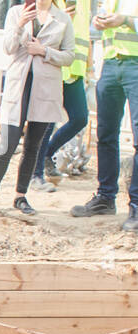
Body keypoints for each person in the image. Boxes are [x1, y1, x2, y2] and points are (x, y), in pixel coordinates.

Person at [0, 0, 74, 215]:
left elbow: (69, 56)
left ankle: (21, 196)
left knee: (33, 146)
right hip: (18, 87)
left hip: (45, 89)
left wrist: (44, 51)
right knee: (7, 144)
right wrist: (20, 24)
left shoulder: (63, 18)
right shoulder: (16, 12)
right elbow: (8, 47)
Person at [71, 0, 138, 228]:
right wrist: (98, 22)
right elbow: (97, 26)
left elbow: (126, 21)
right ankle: (106, 197)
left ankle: (136, 207)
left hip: (135, 65)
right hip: (110, 64)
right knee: (106, 134)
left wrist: (127, 20)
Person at [29, 0, 92, 193]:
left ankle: (47, 153)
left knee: (80, 118)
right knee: (47, 123)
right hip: (54, 68)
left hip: (74, 69)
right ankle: (35, 174)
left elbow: (84, 34)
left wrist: (89, 67)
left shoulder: (85, 3)